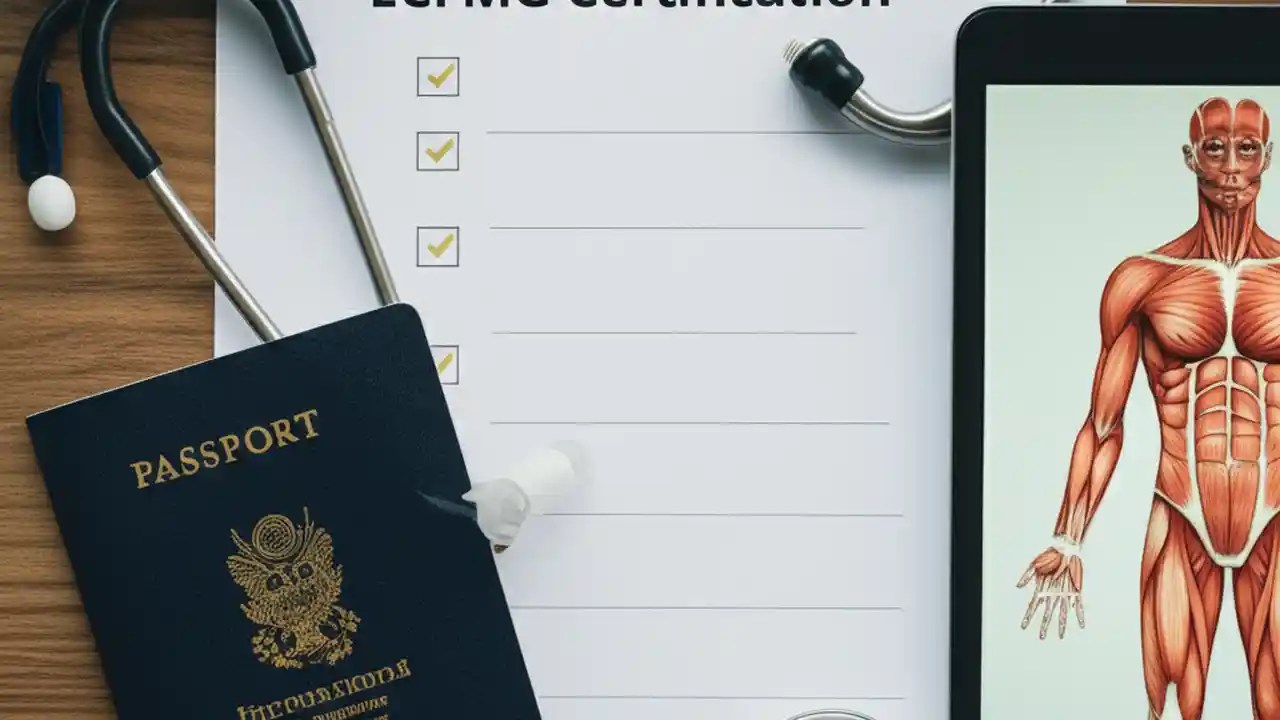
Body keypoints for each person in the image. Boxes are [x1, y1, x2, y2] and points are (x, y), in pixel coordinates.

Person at [1017, 97, 1280, 719]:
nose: (1233, 166)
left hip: (1276, 515)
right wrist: (1069, 535)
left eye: (1247, 149)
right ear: (1191, 158)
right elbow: (1104, 425)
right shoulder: (1143, 278)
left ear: (1267, 158)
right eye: (1216, 148)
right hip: (1179, 510)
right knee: (1173, 709)